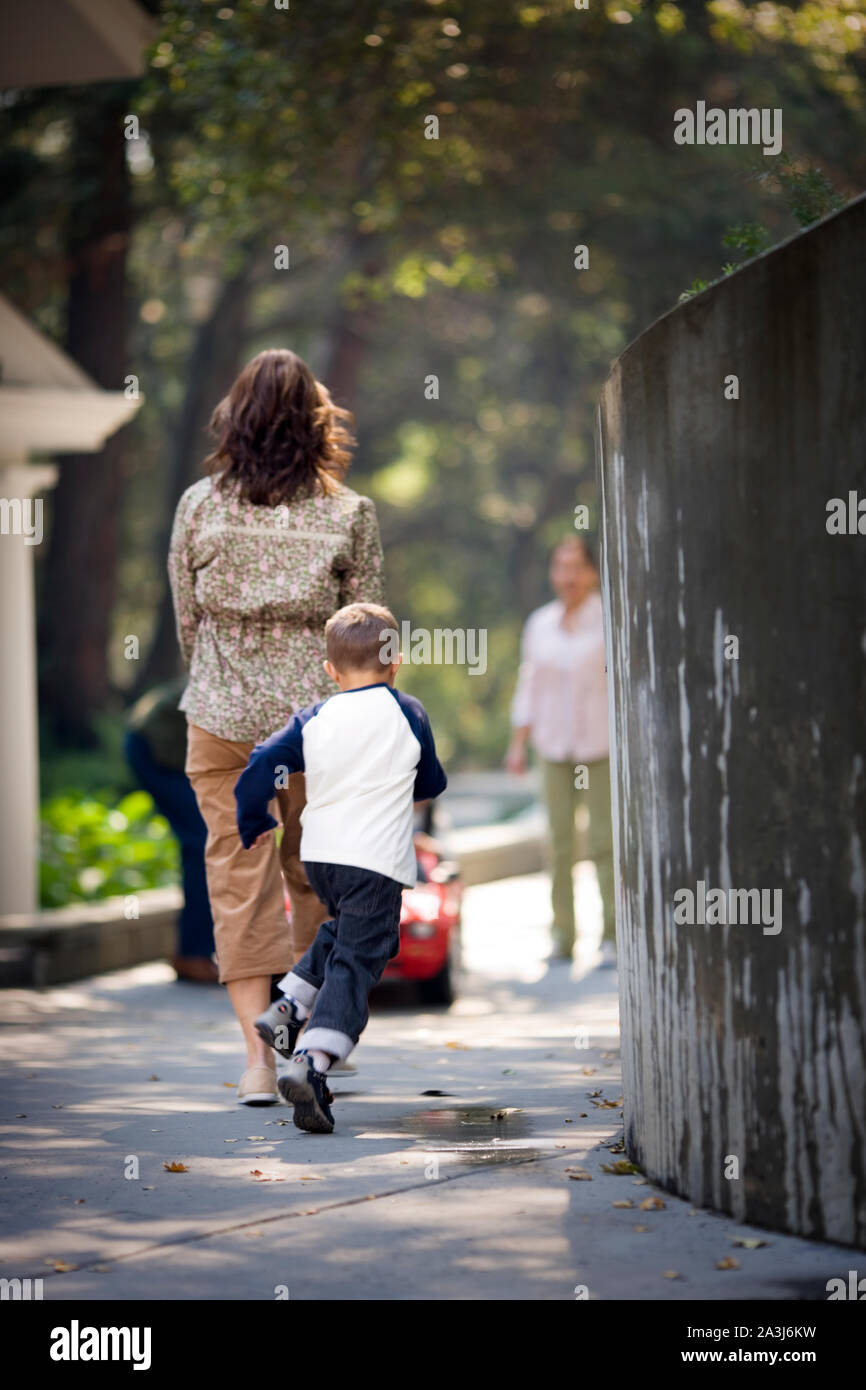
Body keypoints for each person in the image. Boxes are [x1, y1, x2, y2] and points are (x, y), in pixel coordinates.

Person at [168, 348, 386, 1104]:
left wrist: (226, 677)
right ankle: (308, 1038)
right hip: (316, 729)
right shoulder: (349, 513)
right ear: (316, 425)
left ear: (237, 420)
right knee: (318, 875)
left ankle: (256, 1065)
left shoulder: (199, 504)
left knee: (237, 887)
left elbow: (187, 623)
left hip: (223, 724)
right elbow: (367, 636)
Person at [235, 602, 447, 1131]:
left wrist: (251, 819)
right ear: (394, 661)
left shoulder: (314, 717)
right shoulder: (408, 712)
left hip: (322, 857)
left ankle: (286, 1008)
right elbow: (430, 784)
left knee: (342, 934)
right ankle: (314, 1061)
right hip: (374, 860)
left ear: (330, 670)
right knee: (361, 956)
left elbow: (263, 763)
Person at [506, 536, 615, 963]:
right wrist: (518, 742)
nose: (568, 577)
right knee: (558, 843)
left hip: (600, 745)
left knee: (605, 841)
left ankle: (612, 935)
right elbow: (529, 683)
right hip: (551, 745)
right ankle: (563, 936)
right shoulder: (540, 624)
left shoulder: (608, 618)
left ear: (590, 572)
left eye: (576, 567)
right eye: (560, 567)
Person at [124, 677, 218, 983]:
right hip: (153, 748)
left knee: (206, 843)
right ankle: (191, 954)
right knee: (202, 844)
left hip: (162, 746)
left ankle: (192, 951)